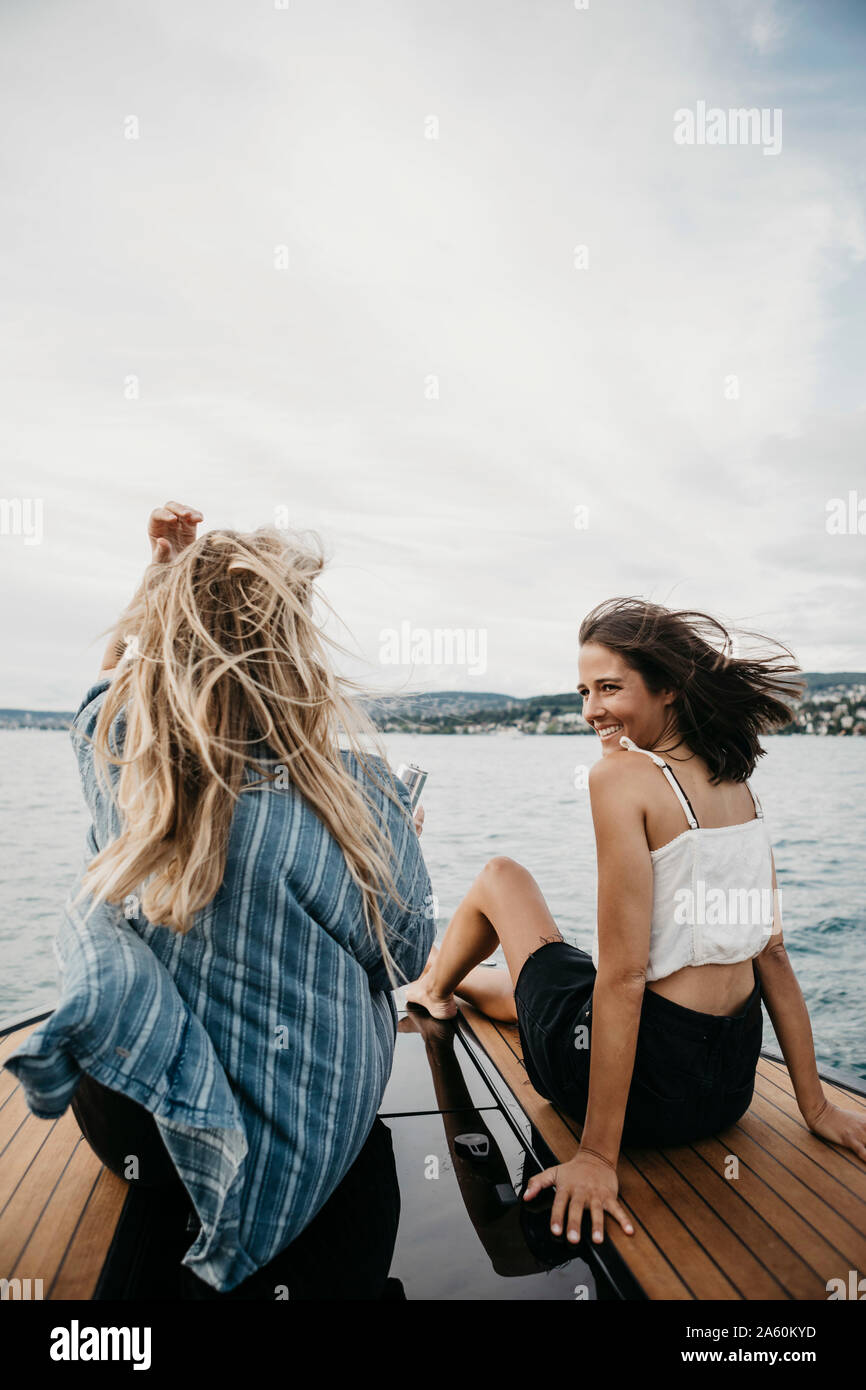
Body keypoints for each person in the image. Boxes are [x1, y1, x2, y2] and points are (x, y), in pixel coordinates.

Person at [8, 502, 433, 1296]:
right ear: (296, 651)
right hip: (305, 1137)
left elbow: (105, 691)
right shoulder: (359, 797)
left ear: (168, 641)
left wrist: (162, 578)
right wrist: (395, 841)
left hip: (139, 1122)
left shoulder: (127, 766)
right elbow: (403, 958)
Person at [405, 597, 866, 1248]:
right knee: (565, 981)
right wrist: (814, 1105)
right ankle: (466, 985)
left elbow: (621, 979)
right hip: (728, 1086)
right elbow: (775, 957)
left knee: (501, 878)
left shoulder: (619, 776)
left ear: (668, 687)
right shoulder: (739, 781)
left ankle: (432, 990)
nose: (592, 709)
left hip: (646, 1090)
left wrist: (596, 1156)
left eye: (610, 688)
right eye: (584, 691)